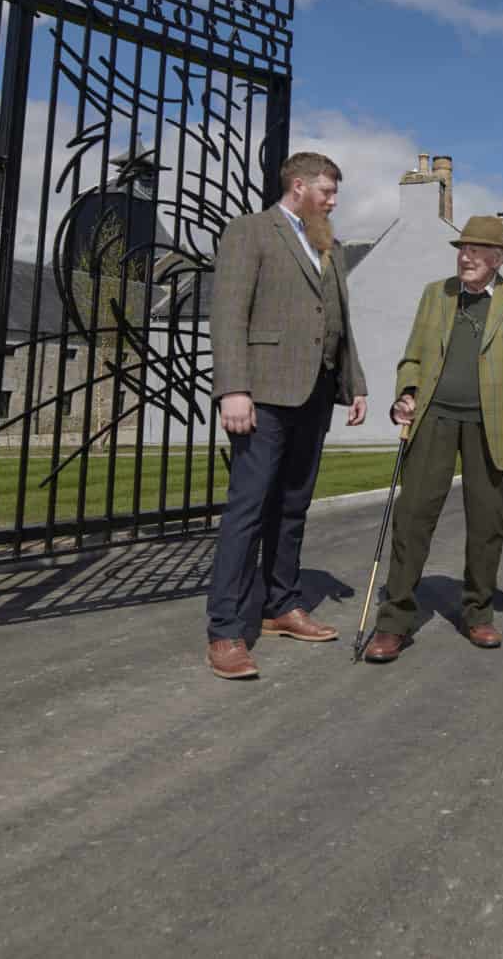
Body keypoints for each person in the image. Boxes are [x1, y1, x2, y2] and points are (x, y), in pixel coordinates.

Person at [204, 151, 368, 679]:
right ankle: (226, 630)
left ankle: (281, 606)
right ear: (298, 186)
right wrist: (233, 388)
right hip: (264, 395)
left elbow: (338, 319)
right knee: (248, 510)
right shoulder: (250, 231)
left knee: (293, 509)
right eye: (327, 191)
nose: (334, 201)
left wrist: (354, 384)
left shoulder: (327, 245)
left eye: (336, 193)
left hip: (314, 395)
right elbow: (228, 312)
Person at [360, 215, 503, 663]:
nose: (466, 256)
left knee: (487, 523)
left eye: (478, 249)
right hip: (434, 420)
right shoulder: (436, 294)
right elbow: (412, 358)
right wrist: (406, 393)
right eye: (463, 248)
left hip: (493, 425)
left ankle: (478, 613)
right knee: (411, 520)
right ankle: (393, 622)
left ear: (499, 258)